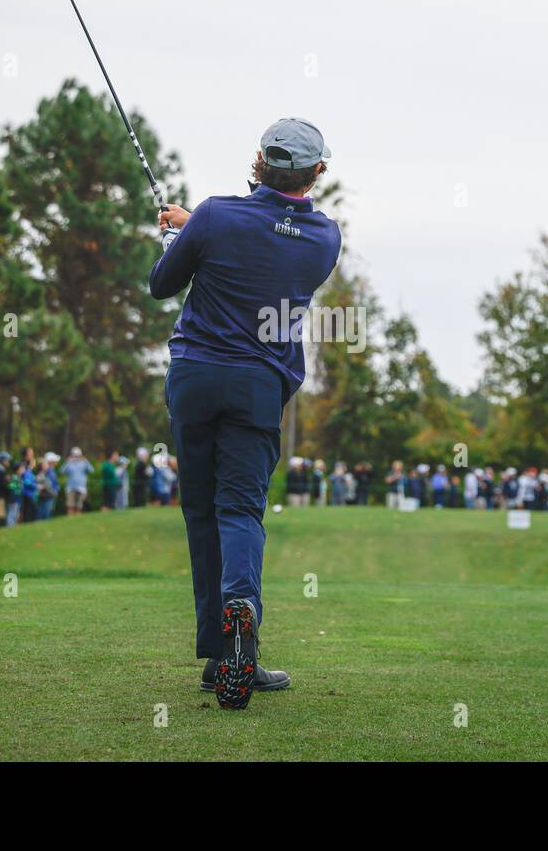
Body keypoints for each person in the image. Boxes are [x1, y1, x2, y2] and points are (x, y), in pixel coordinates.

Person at [150, 117, 338, 708]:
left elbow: (164, 284)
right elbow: (268, 236)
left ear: (257, 161)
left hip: (197, 378)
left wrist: (182, 238)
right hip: (258, 385)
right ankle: (243, 619)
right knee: (239, 512)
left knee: (200, 513)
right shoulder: (325, 238)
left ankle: (218, 654)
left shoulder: (213, 215)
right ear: (317, 173)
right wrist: (197, 232)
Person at [62, 448, 94, 516]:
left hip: (81, 487)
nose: (76, 457)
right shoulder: (69, 463)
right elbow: (62, 471)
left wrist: (86, 461)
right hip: (70, 487)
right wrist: (67, 461)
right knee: (70, 505)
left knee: (79, 506)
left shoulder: (84, 463)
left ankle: (77, 519)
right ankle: (70, 520)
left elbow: (91, 470)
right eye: (75, 455)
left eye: (77, 455)